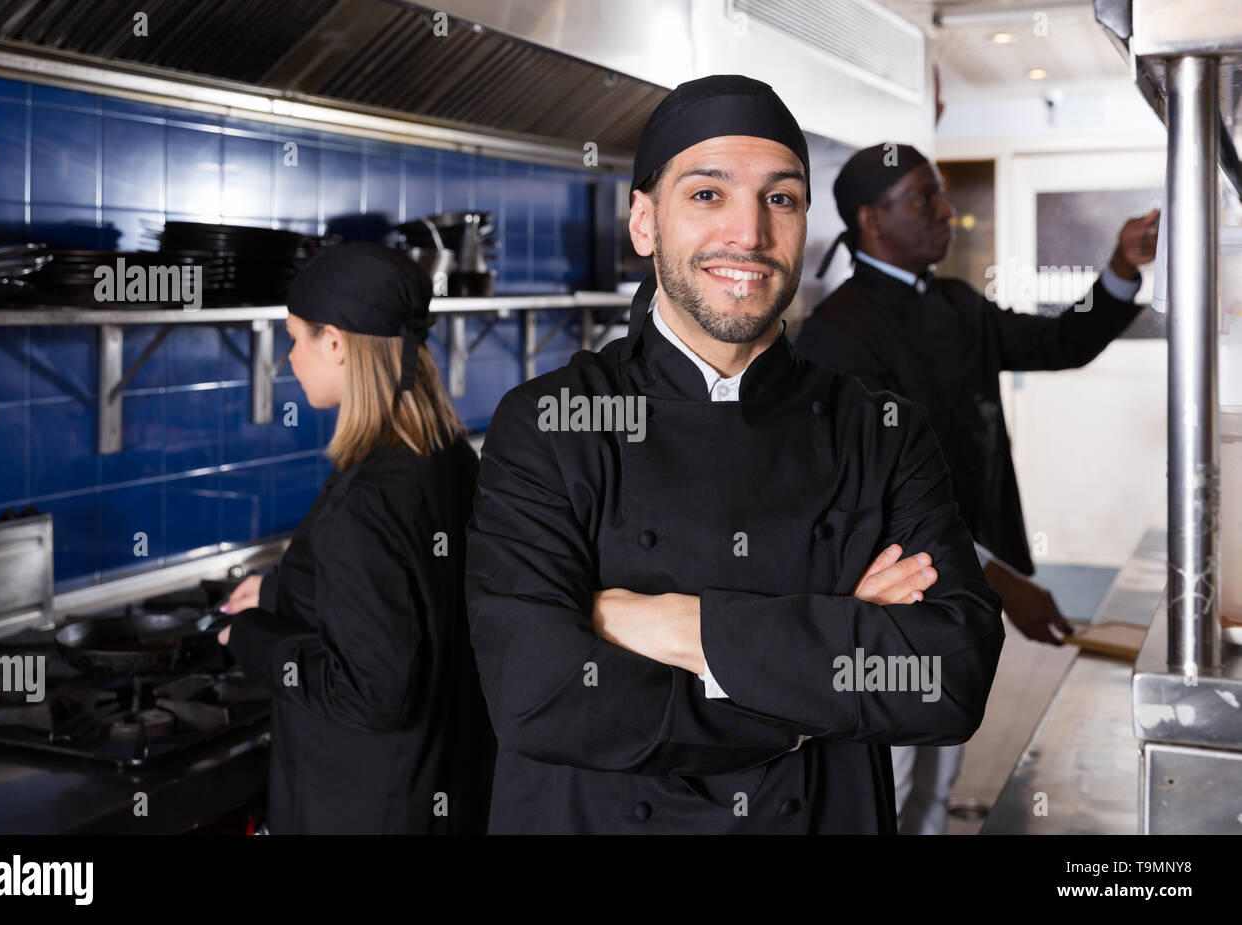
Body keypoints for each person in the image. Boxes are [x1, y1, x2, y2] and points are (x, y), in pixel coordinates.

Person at [465, 75, 1005, 834]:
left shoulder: (880, 428)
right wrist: (821, 675)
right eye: (708, 195)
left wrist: (662, 625)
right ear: (645, 223)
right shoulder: (548, 422)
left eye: (779, 198)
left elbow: (949, 675)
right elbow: (539, 694)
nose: (748, 234)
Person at [799, 143, 1156, 834]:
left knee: (941, 770)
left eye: (940, 194)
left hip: (964, 586)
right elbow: (874, 499)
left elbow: (1060, 343)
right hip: (894, 599)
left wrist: (1120, 267)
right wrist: (997, 578)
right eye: (923, 199)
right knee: (890, 778)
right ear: (871, 220)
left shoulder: (956, 302)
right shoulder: (838, 334)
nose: (945, 211)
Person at [219, 242, 494, 834]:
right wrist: (279, 595)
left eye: (296, 338)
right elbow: (409, 603)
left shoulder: (365, 500)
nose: (289, 358)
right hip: (447, 787)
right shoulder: (446, 459)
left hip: (371, 809)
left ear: (337, 344)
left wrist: (252, 639)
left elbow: (370, 694)